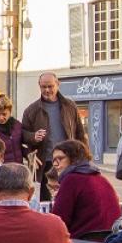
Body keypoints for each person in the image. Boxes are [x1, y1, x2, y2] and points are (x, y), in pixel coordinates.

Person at [21, 73, 88, 201]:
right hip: (45, 163)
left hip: (69, 161)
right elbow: (23, 135)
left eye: (50, 86)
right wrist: (33, 136)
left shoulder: (69, 106)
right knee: (46, 200)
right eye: (43, 87)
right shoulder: (31, 110)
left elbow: (79, 132)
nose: (47, 90)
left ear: (58, 84)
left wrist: (84, 157)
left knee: (71, 197)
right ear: (39, 87)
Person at [50, 140, 121, 237]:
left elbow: (58, 221)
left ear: (74, 158)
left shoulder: (72, 179)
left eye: (60, 158)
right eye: (53, 160)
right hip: (110, 239)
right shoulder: (101, 178)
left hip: (84, 241)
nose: (55, 164)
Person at [0, 95, 25, 164]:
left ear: (10, 112)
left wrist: (29, 153)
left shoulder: (18, 126)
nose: (1, 117)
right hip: (2, 169)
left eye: (4, 114)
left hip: (18, 167)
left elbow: (22, 144)